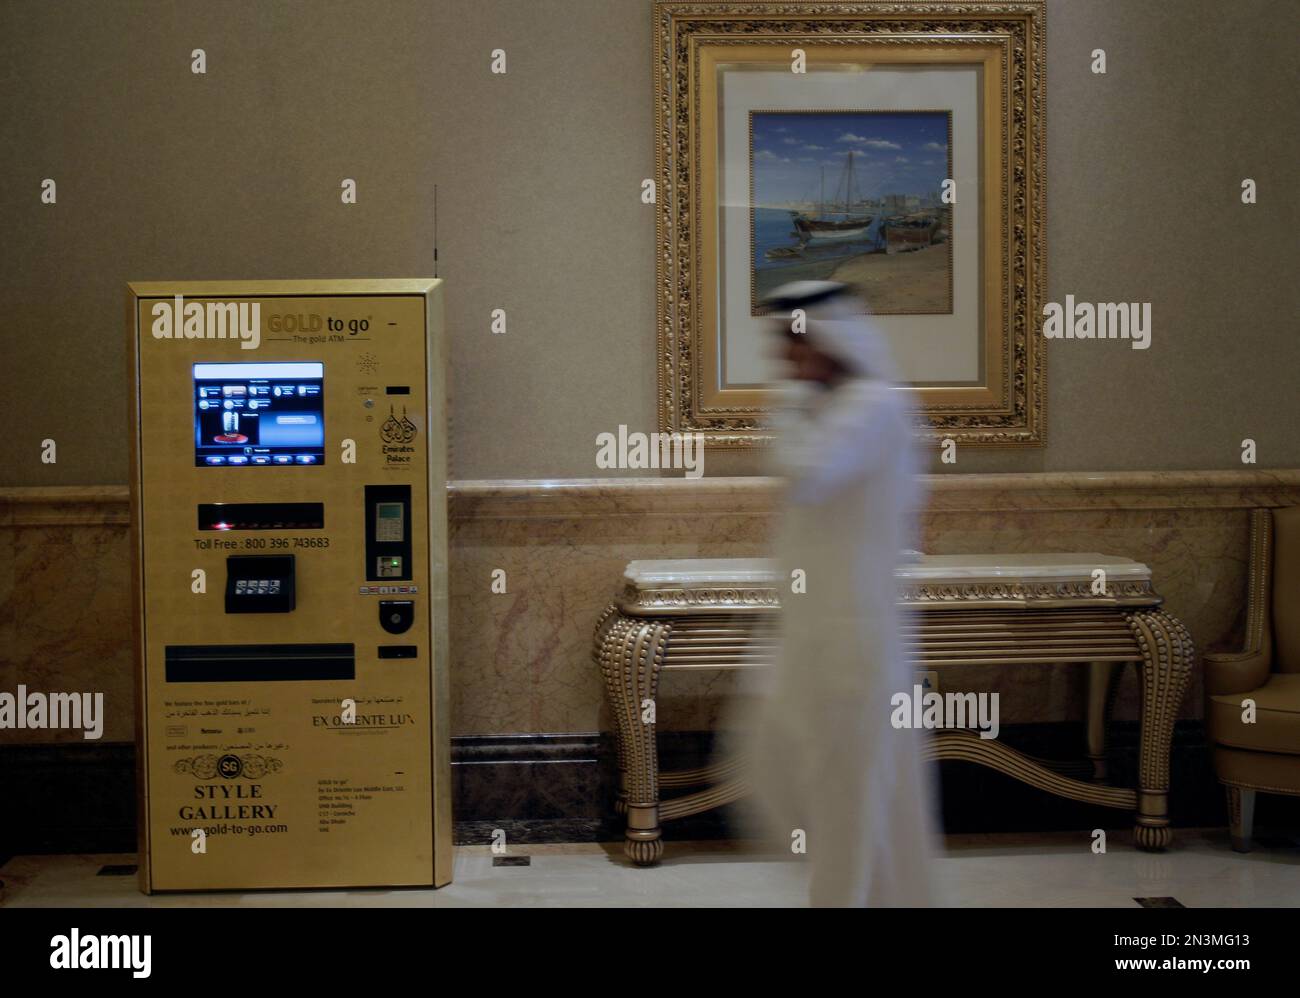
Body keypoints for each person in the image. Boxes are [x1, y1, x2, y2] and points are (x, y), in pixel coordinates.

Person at [747, 280, 939, 907]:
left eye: (795, 342)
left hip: (854, 642)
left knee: (845, 795)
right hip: (813, 635)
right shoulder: (832, 405)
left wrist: (789, 402)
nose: (785, 357)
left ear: (830, 341)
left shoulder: (873, 405)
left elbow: (807, 472)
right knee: (789, 773)